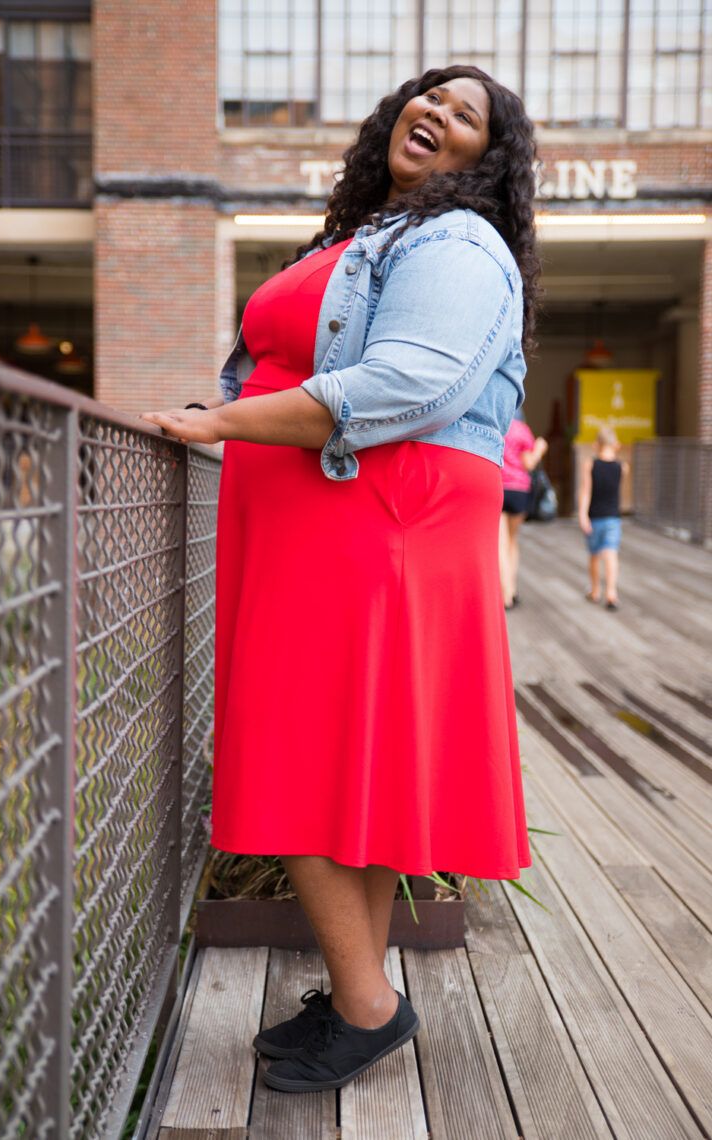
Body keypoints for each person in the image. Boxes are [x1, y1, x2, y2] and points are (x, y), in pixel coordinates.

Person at [142, 63, 539, 1094]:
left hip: (369, 515)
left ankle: (366, 1007)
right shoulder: (368, 234)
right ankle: (361, 988)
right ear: (394, 113)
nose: (439, 115)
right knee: (341, 764)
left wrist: (220, 421)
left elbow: (413, 380)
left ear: (483, 158)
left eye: (466, 117)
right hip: (321, 516)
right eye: (432, 97)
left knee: (300, 753)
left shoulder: (456, 242)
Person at [499, 410, 548, 609]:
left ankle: (505, 595)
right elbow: (528, 463)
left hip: (499, 487)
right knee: (513, 541)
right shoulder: (523, 430)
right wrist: (540, 449)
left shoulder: (498, 427)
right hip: (519, 491)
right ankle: (513, 589)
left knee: (499, 545)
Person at [578, 425, 627, 611]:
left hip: (595, 517)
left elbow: (585, 492)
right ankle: (611, 593)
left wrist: (583, 515)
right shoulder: (622, 467)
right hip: (613, 517)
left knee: (594, 556)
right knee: (611, 553)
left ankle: (596, 590)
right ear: (615, 444)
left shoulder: (590, 465)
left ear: (596, 444)